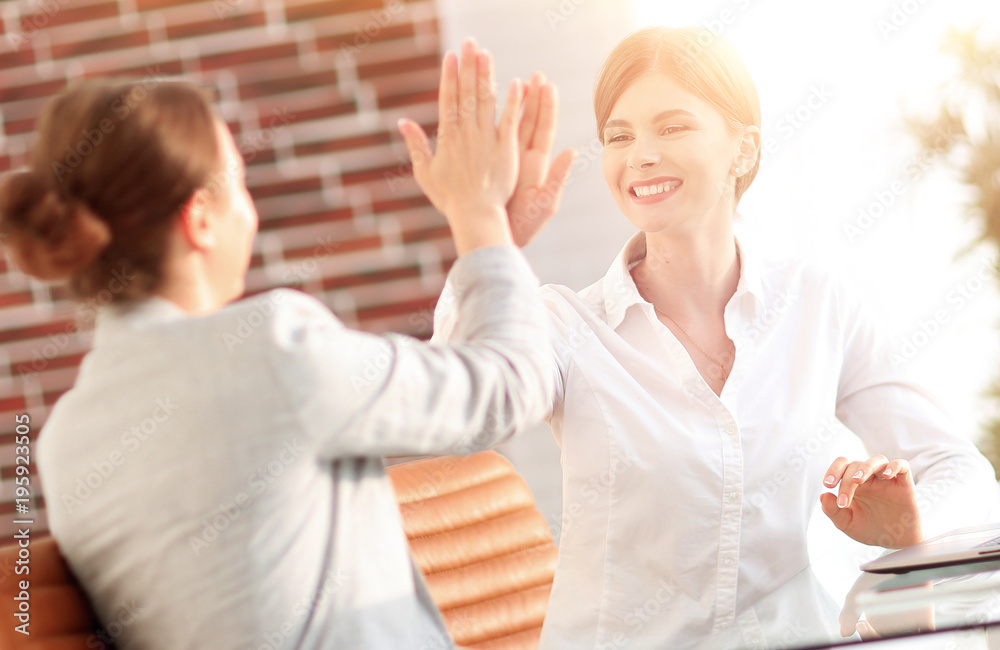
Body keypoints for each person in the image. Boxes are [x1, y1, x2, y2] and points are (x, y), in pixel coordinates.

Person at [434, 26, 999, 648]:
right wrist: (490, 241)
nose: (639, 155)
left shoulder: (815, 302)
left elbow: (962, 472)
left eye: (671, 127)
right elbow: (459, 415)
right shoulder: (566, 327)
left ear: (744, 149)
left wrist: (912, 527)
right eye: (619, 136)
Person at [1, 40, 554, 649]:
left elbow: (419, 402)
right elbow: (510, 389)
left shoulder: (63, 444)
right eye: (238, 182)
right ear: (200, 218)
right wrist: (477, 215)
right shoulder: (270, 349)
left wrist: (493, 249)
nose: (251, 213)